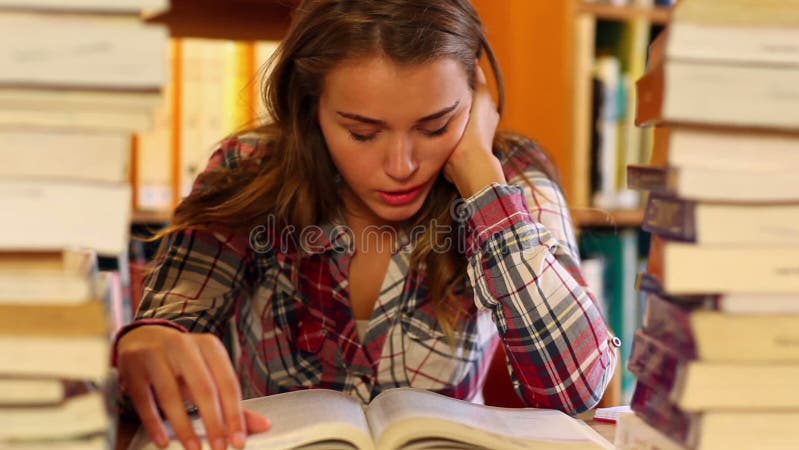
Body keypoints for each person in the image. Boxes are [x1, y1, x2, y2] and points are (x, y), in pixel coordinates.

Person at [115, 0, 618, 449]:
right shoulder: (248, 168)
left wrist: (482, 181)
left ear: (479, 99)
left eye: (436, 125)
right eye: (362, 132)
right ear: (311, 109)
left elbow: (577, 387)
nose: (401, 165)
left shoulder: (511, 174)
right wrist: (149, 342)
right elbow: (162, 342)